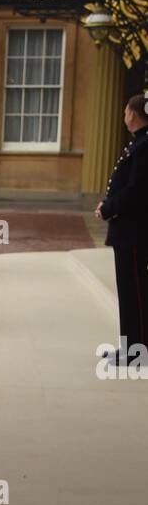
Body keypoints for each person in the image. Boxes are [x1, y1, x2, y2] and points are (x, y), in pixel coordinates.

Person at [96, 93, 148, 365]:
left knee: (135, 291)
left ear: (133, 114)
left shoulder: (144, 146)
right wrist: (108, 203)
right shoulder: (138, 144)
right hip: (127, 229)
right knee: (127, 291)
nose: (124, 115)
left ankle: (137, 351)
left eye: (126, 111)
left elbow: (136, 190)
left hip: (134, 230)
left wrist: (108, 207)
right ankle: (130, 346)